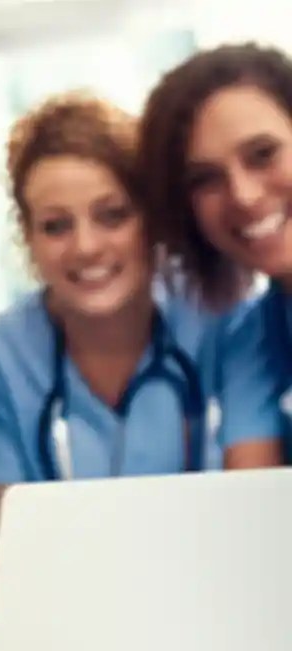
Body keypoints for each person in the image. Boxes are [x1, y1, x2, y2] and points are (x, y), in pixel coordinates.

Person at [0, 91, 284, 530]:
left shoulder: (221, 314)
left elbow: (255, 518)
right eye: (56, 226)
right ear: (28, 238)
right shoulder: (4, 355)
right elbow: (17, 542)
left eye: (113, 215)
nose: (86, 247)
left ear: (153, 219)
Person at [139, 42, 292, 467]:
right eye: (206, 179)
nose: (243, 195)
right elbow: (249, 505)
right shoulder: (254, 340)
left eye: (263, 154)